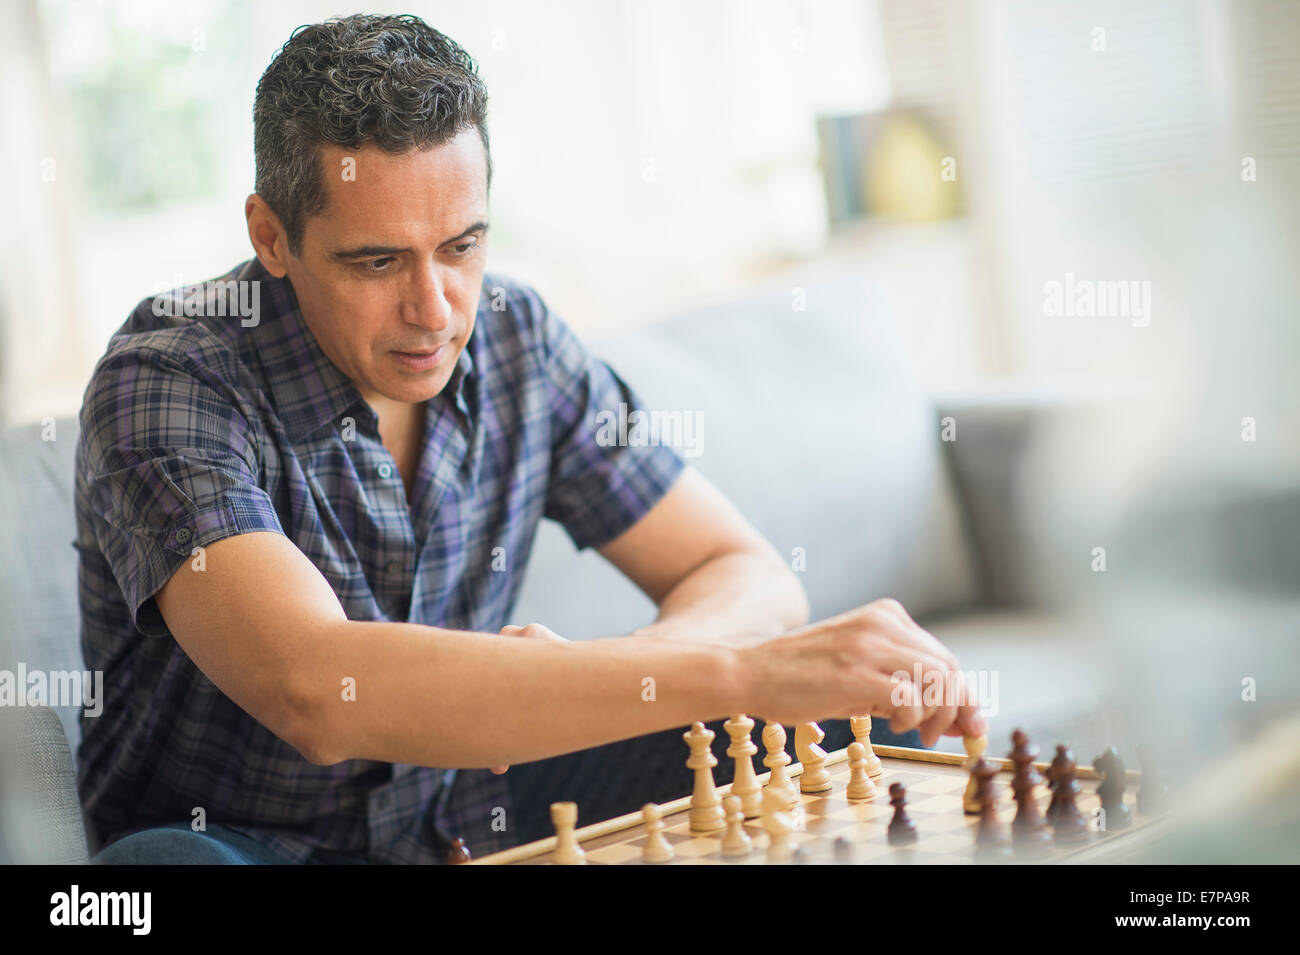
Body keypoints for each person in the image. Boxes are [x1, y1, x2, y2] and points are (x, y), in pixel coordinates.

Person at [76, 13, 984, 865]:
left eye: (462, 246)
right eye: (377, 260)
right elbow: (316, 688)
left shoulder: (519, 340)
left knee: (853, 722)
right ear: (272, 236)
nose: (435, 311)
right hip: (245, 842)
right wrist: (736, 672)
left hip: (471, 808)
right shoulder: (167, 380)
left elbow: (744, 572)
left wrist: (630, 676)